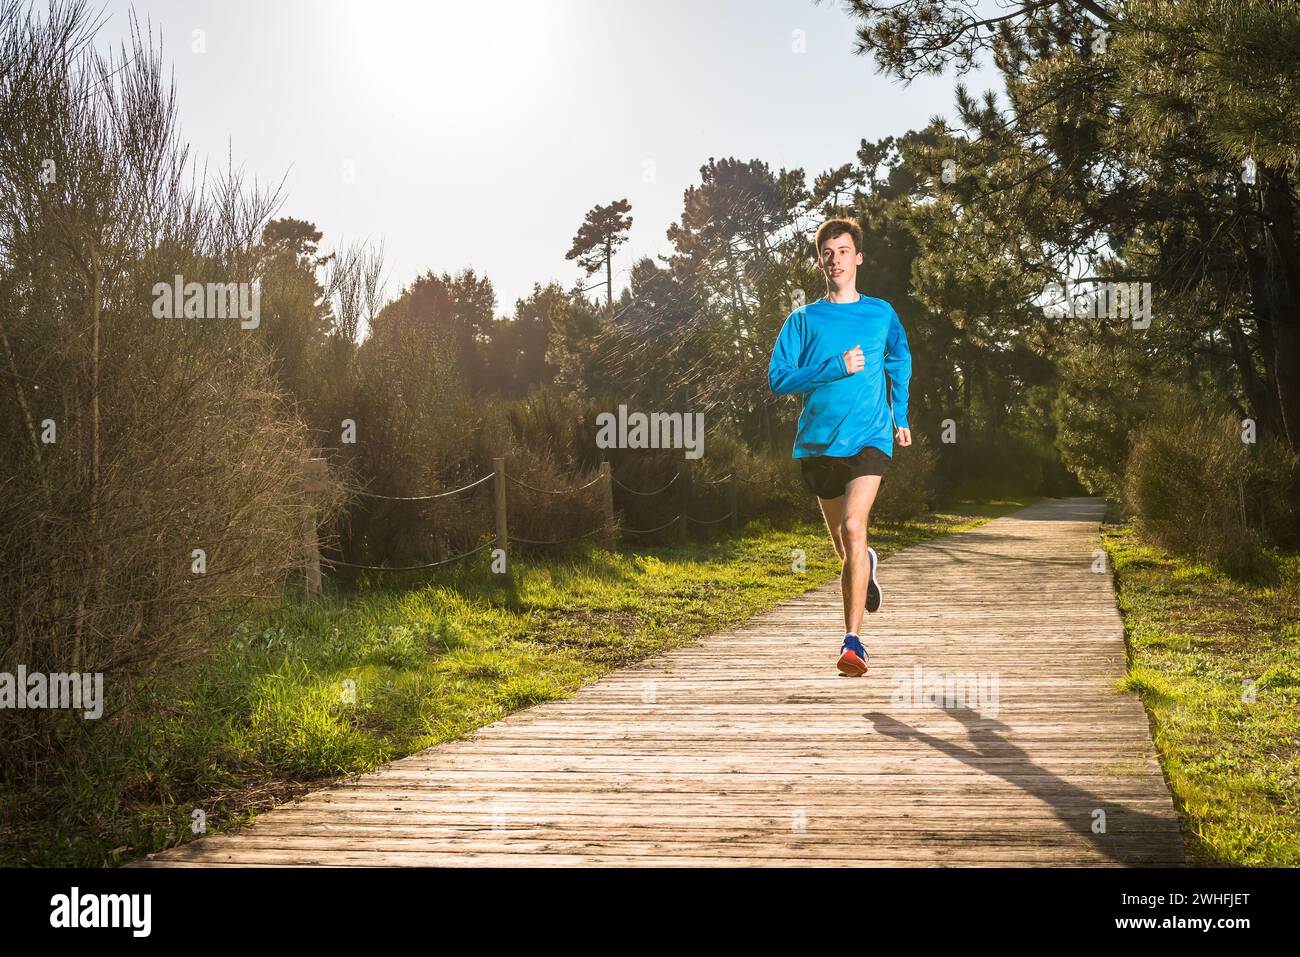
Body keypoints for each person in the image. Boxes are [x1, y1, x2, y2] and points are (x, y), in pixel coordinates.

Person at [767, 217, 913, 677]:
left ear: (859, 257)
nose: (836, 260)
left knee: (853, 526)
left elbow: (900, 359)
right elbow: (779, 378)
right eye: (828, 253)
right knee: (844, 545)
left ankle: (853, 643)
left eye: (844, 251)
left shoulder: (881, 313)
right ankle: (864, 565)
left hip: (870, 438)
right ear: (820, 261)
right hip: (817, 447)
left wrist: (901, 415)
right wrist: (835, 366)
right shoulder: (803, 319)